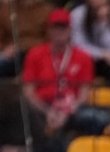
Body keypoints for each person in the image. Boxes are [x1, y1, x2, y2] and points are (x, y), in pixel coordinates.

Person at [22, 9, 98, 138]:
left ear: (70, 30)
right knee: (23, 115)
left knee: (94, 118)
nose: (59, 32)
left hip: (72, 108)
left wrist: (67, 111)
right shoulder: (34, 54)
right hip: (42, 106)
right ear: (48, 30)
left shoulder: (84, 57)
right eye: (55, 28)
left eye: (63, 28)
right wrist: (47, 111)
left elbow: (84, 93)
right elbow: (28, 91)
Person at [70, 0, 110, 82]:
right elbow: (78, 44)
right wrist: (102, 54)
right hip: (86, 58)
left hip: (109, 60)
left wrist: (103, 24)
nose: (102, 9)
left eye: (105, 5)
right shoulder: (77, 15)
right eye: (97, 7)